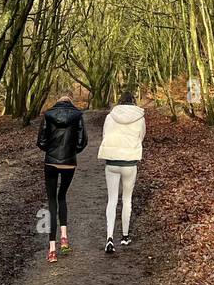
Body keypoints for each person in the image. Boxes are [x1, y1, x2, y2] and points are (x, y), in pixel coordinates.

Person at [37, 93, 87, 262]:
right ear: (70, 103)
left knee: (51, 201)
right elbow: (83, 141)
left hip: (50, 162)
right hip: (69, 163)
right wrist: (71, 153)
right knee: (62, 197)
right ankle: (64, 237)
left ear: (57, 102)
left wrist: (51, 152)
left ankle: (52, 249)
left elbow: (41, 141)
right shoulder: (77, 116)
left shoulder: (48, 115)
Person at [98, 91, 146, 254]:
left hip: (111, 162)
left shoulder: (110, 116)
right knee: (127, 199)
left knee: (112, 199)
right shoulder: (140, 118)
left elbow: (104, 136)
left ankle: (109, 237)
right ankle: (125, 237)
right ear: (134, 102)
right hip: (129, 162)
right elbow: (141, 138)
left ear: (119, 101)